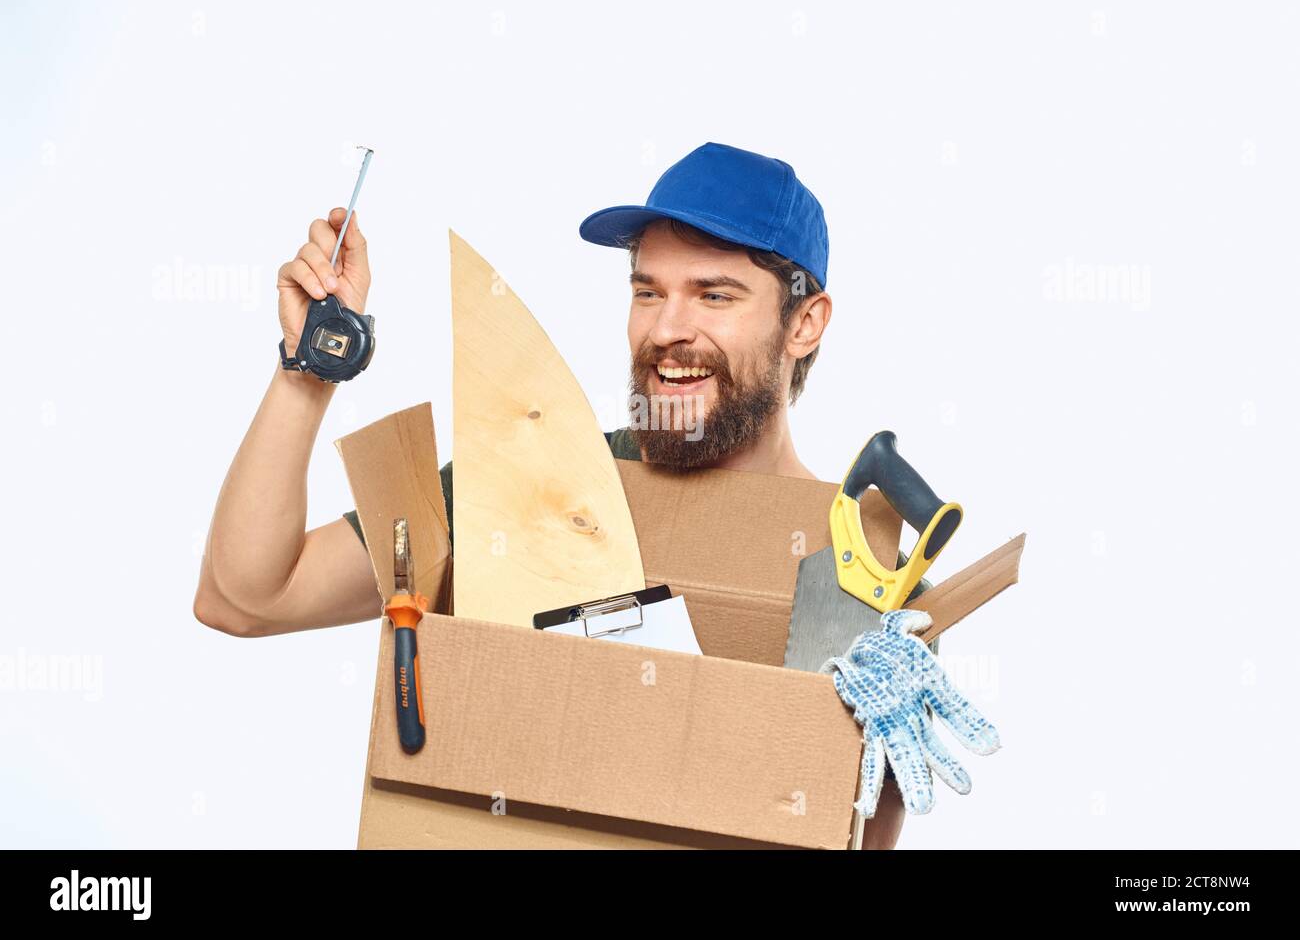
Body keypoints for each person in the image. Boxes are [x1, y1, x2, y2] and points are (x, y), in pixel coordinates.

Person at [194, 141, 919, 848]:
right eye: (648, 291)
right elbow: (249, 596)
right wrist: (307, 366)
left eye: (714, 295)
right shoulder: (539, 474)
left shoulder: (861, 582)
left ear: (805, 322)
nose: (668, 329)